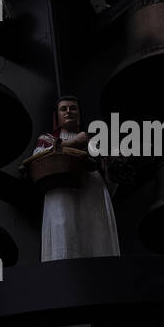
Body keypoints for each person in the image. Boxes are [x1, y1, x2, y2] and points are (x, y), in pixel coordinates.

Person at [26, 96, 120, 261]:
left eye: (73, 108)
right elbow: (38, 158)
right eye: (64, 109)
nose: (68, 111)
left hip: (91, 188)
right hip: (61, 189)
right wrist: (75, 142)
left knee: (96, 231)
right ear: (57, 116)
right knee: (64, 230)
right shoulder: (47, 139)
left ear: (80, 113)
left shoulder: (93, 140)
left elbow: (110, 169)